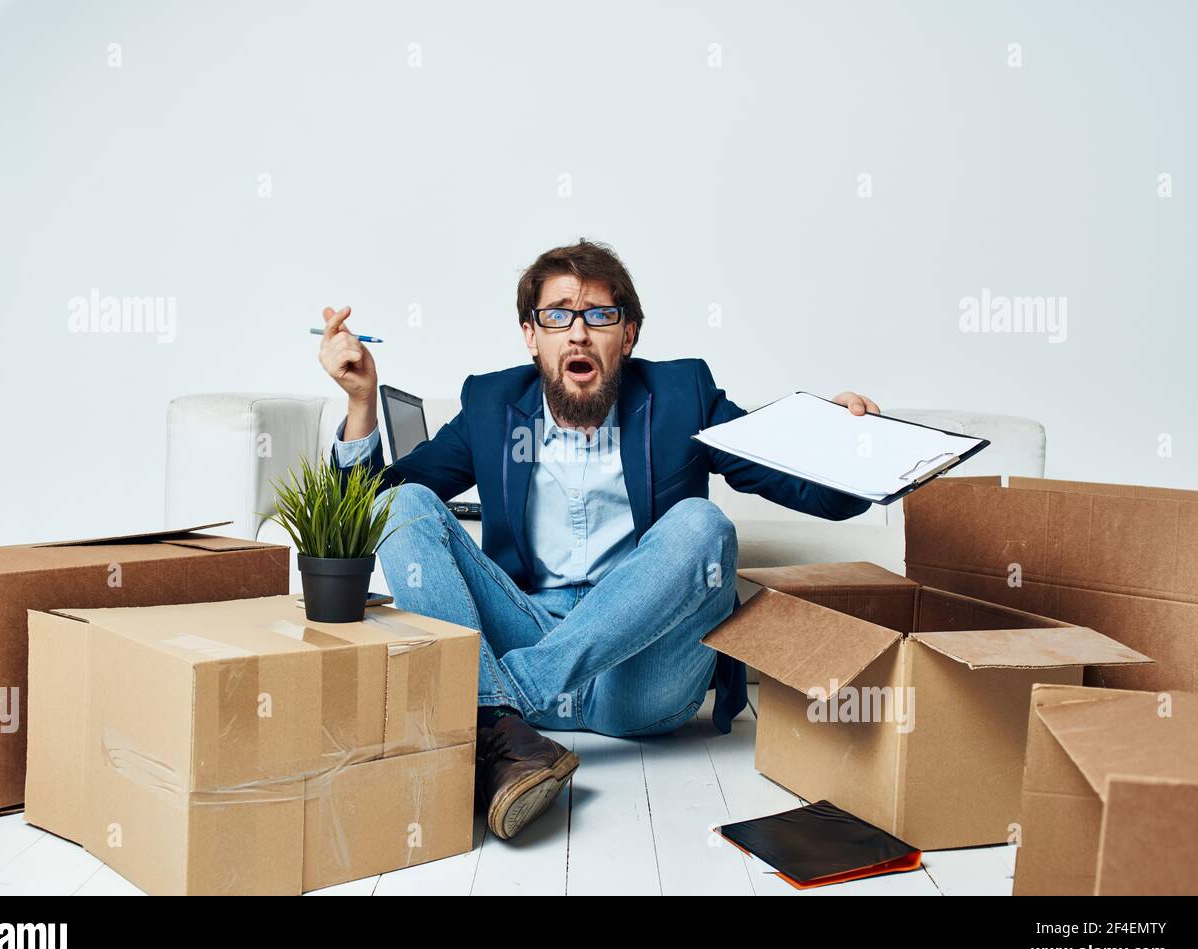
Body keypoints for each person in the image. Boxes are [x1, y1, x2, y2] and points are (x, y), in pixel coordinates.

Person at [319, 239, 879, 839]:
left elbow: (818, 495)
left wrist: (844, 443)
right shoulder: (492, 404)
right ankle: (501, 725)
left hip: (639, 675)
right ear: (532, 336)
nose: (578, 333)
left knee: (703, 524)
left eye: (599, 315)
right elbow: (364, 511)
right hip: (528, 628)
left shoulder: (682, 396)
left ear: (629, 335)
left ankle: (489, 713)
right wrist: (359, 401)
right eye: (557, 315)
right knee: (403, 503)